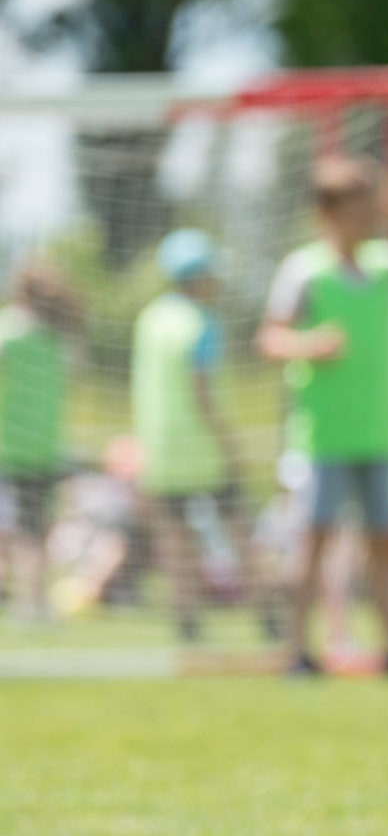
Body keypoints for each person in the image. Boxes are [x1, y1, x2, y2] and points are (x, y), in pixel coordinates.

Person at [258, 155, 388, 674]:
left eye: (371, 203)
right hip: (323, 435)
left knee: (384, 543)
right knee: (312, 543)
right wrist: (311, 344)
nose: (366, 215)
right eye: (356, 205)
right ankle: (297, 651)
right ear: (329, 211)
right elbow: (269, 338)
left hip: (380, 432)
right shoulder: (303, 270)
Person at [130, 231, 252, 642]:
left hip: (160, 449)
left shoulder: (150, 319)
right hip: (203, 450)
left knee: (175, 536)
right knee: (241, 529)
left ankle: (185, 619)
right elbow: (202, 392)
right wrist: (230, 442)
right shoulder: (202, 321)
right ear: (198, 276)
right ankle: (269, 611)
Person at [2, 261, 78, 622]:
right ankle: (35, 604)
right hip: (42, 447)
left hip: (13, 447)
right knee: (34, 530)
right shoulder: (57, 337)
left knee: (25, 531)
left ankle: (27, 605)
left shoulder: (10, 331)